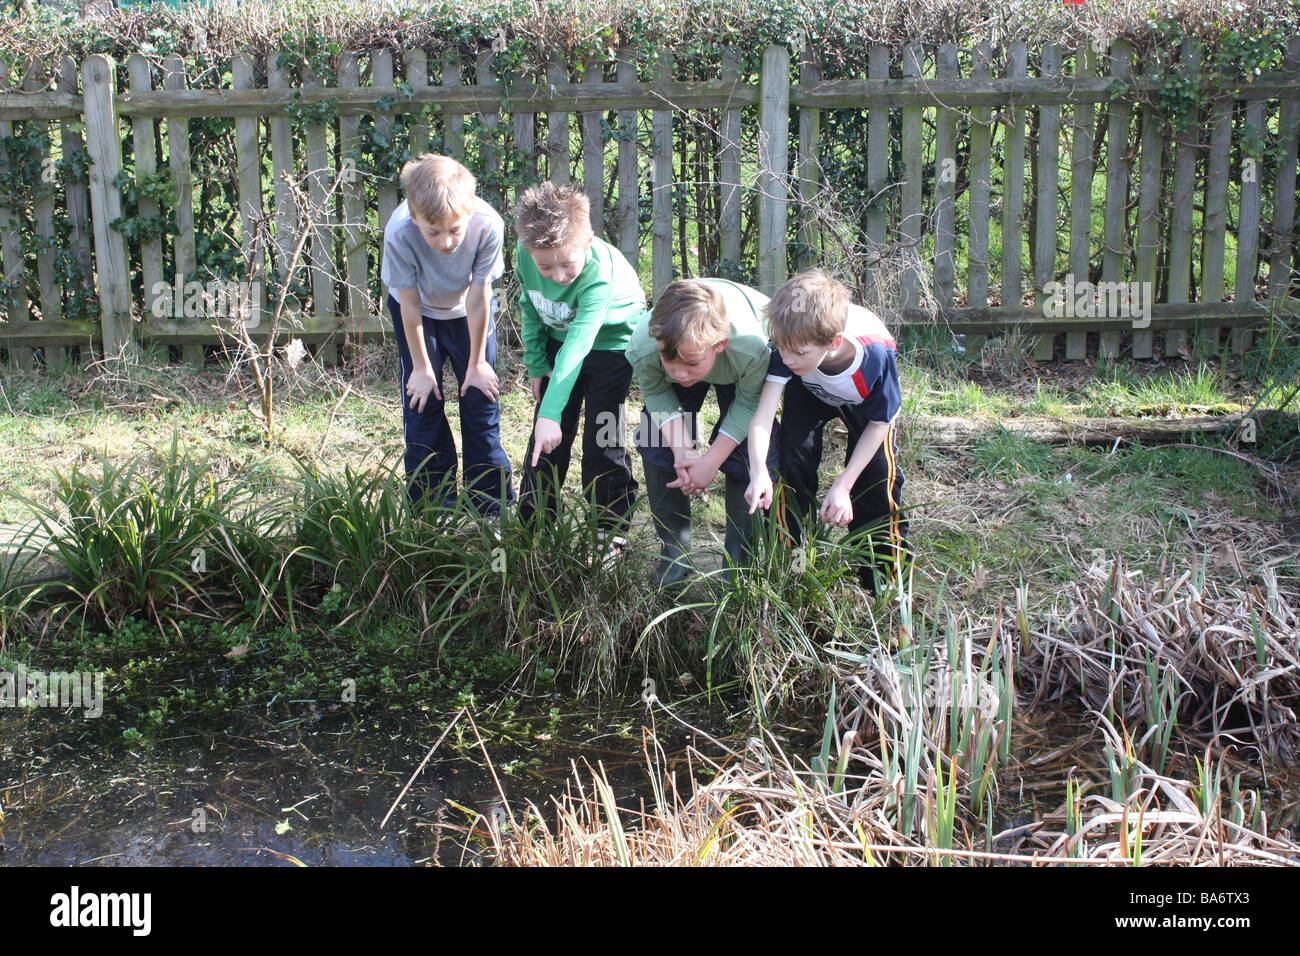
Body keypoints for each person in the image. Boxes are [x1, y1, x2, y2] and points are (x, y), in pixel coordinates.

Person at [745, 270, 909, 594]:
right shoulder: (791, 348)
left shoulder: (875, 354)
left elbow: (880, 423)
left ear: (833, 342)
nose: (786, 358)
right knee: (789, 467)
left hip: (865, 405)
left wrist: (843, 485)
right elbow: (762, 417)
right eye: (782, 348)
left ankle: (882, 586)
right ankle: (791, 569)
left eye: (798, 352)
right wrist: (759, 470)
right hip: (808, 389)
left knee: (876, 479)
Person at [380, 154, 514, 513]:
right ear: (414, 218)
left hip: (468, 309)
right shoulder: (398, 232)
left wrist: (478, 364)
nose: (446, 241)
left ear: (470, 212)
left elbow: (480, 297)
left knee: (480, 398)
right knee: (421, 403)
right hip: (417, 310)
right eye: (433, 231)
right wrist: (422, 370)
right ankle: (433, 507)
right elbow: (408, 305)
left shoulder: (489, 225)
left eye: (455, 230)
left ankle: (490, 506)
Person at [515, 182, 643, 555]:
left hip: (611, 342)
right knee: (547, 436)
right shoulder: (528, 255)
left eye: (566, 264)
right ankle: (535, 525)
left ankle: (609, 532)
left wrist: (550, 410)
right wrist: (537, 363)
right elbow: (531, 304)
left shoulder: (599, 275)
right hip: (561, 335)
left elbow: (580, 344)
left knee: (602, 436)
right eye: (545, 266)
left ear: (588, 240)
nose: (557, 276)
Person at [625, 277, 779, 586]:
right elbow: (657, 394)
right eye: (669, 361)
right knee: (655, 440)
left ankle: (739, 562)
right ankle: (674, 552)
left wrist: (710, 464)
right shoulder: (644, 345)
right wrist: (683, 450)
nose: (679, 373)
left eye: (690, 363)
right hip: (700, 354)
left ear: (719, 345)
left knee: (749, 453)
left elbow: (749, 405)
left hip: (739, 367)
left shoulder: (750, 347)